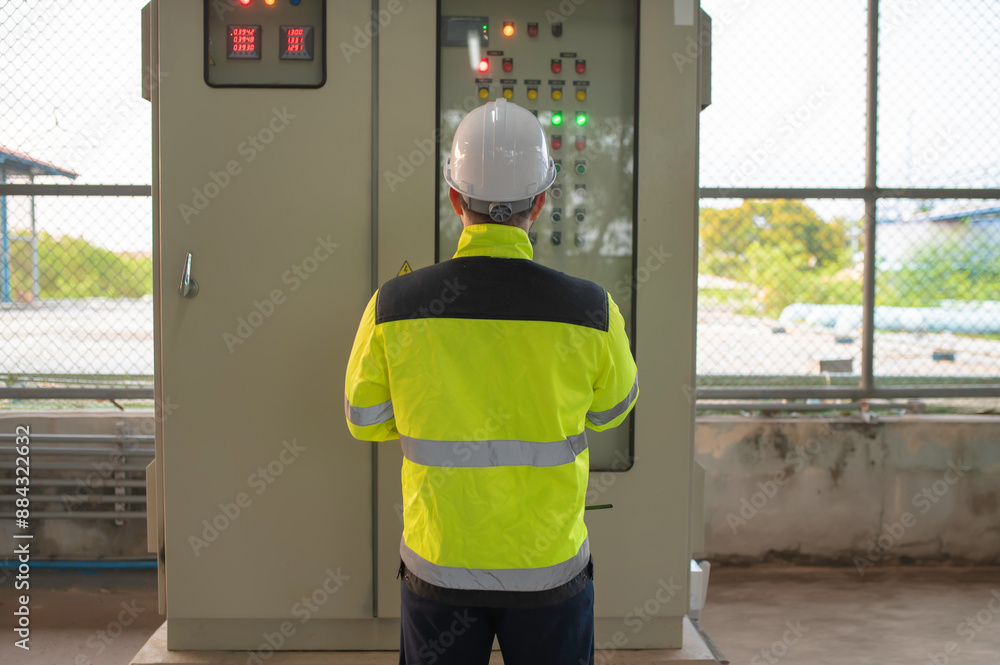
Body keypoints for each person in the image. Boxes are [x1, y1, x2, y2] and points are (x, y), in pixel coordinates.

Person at [344, 98, 637, 665]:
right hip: (549, 572)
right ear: (542, 199)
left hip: (441, 567)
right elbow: (611, 410)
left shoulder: (394, 306)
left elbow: (365, 420)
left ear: (455, 198)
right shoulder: (590, 310)